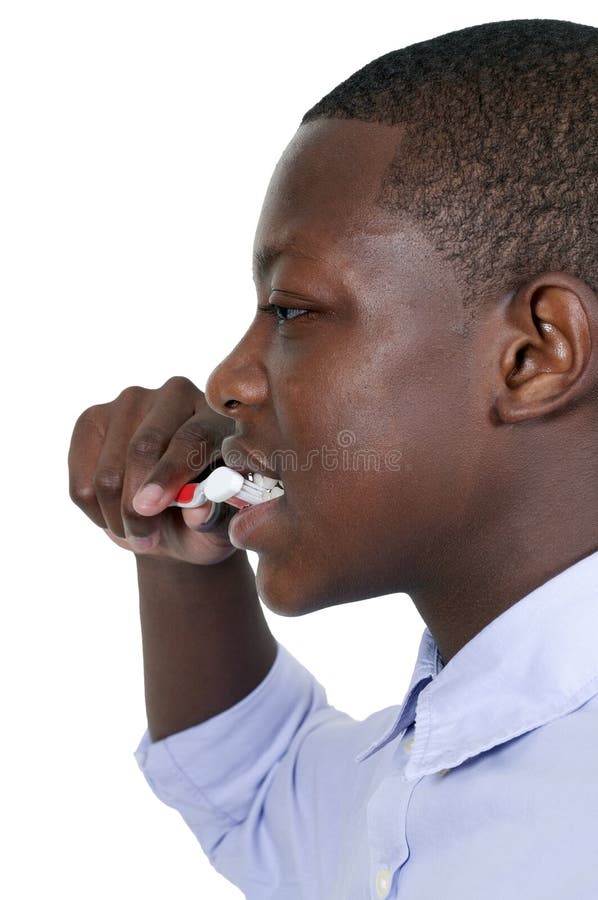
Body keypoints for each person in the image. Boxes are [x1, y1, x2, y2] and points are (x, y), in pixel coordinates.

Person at [68, 18, 598, 899]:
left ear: (533, 354)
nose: (228, 379)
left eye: (291, 311)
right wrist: (182, 561)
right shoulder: (434, 769)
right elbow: (256, 787)